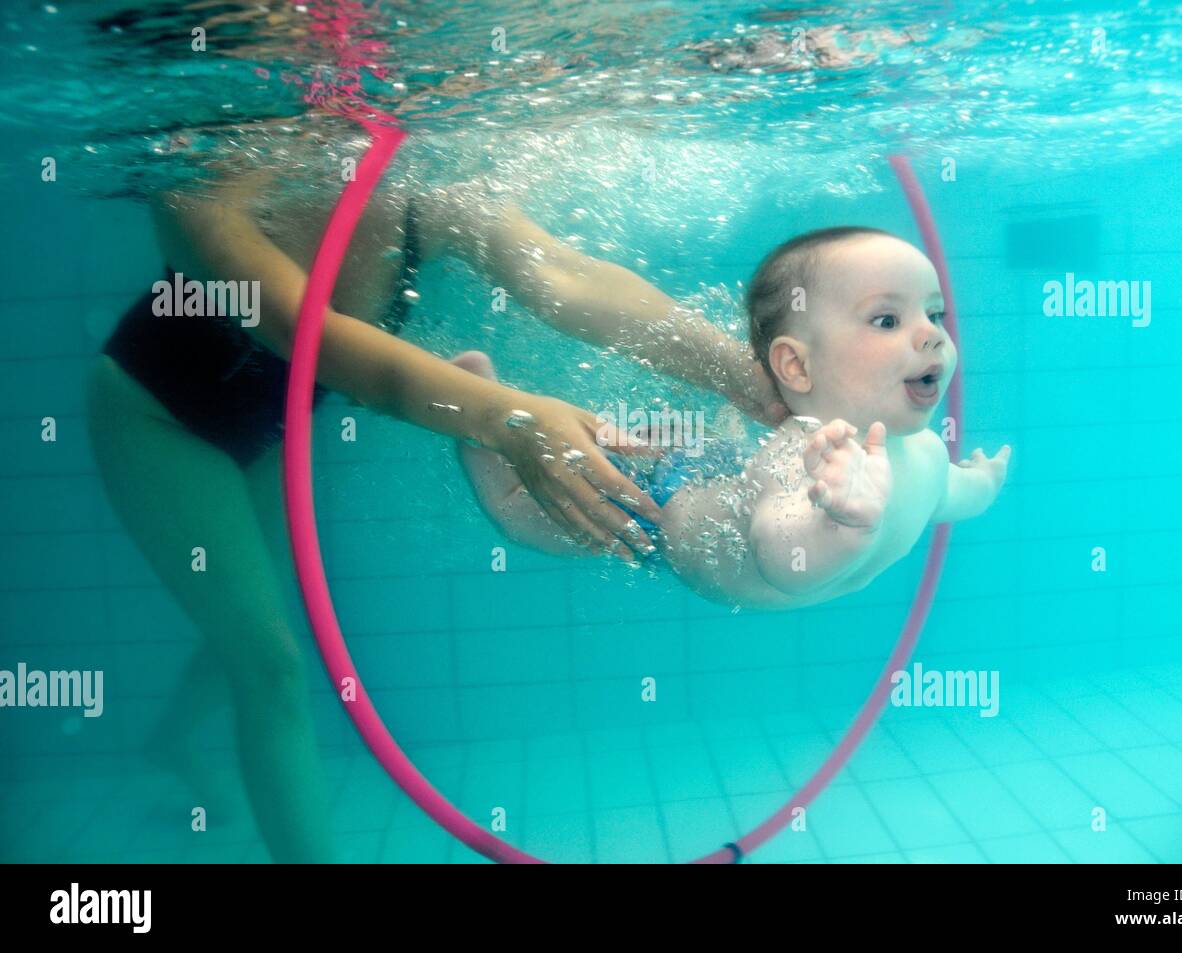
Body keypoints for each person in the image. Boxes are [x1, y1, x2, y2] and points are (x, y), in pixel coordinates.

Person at [86, 168, 787, 862]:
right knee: (269, 665)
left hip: (270, 426)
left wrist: (746, 378)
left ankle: (171, 738)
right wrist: (509, 422)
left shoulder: (429, 185)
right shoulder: (199, 180)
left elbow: (569, 277)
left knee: (244, 613)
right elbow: (309, 337)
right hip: (156, 417)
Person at [455, 227, 1012, 609]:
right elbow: (780, 555)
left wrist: (981, 484)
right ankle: (478, 412)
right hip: (665, 514)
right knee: (543, 520)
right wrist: (837, 522)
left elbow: (945, 495)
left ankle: (660, 441)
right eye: (888, 320)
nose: (932, 333)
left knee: (693, 451)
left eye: (934, 312)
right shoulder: (802, 456)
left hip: (722, 475)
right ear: (795, 365)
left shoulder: (927, 454)